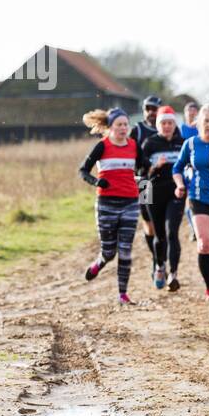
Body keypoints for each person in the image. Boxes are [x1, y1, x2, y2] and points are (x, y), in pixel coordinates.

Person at [78, 107, 143, 304]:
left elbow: (143, 169)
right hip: (107, 204)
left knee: (125, 250)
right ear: (110, 127)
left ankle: (123, 294)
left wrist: (150, 178)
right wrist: (97, 182)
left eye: (125, 124)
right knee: (109, 252)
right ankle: (99, 263)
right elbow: (83, 171)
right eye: (119, 125)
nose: (124, 128)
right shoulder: (102, 146)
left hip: (130, 203)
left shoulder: (133, 145)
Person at [172, 106, 209, 301]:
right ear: (198, 123)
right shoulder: (190, 144)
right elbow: (177, 167)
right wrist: (180, 185)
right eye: (206, 120)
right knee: (204, 244)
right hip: (198, 199)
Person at [137, 106, 187, 292]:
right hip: (151, 191)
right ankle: (159, 265)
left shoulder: (182, 143)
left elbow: (188, 167)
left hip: (175, 193)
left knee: (172, 232)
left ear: (175, 124)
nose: (167, 126)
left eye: (170, 123)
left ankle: (173, 273)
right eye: (163, 123)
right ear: (158, 125)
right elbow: (140, 173)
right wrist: (154, 167)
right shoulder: (149, 143)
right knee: (155, 233)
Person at [133, 95, 163, 277]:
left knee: (162, 224)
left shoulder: (167, 128)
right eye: (148, 109)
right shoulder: (137, 130)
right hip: (144, 182)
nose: (151, 112)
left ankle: (161, 259)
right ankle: (156, 260)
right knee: (149, 224)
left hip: (165, 182)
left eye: (155, 109)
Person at [181, 100, 200, 242]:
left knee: (192, 199)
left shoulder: (201, 128)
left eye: (194, 111)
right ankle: (193, 225)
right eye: (189, 111)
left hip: (196, 168)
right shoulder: (180, 129)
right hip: (183, 167)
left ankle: (196, 227)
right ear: (185, 113)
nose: (192, 113)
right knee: (187, 200)